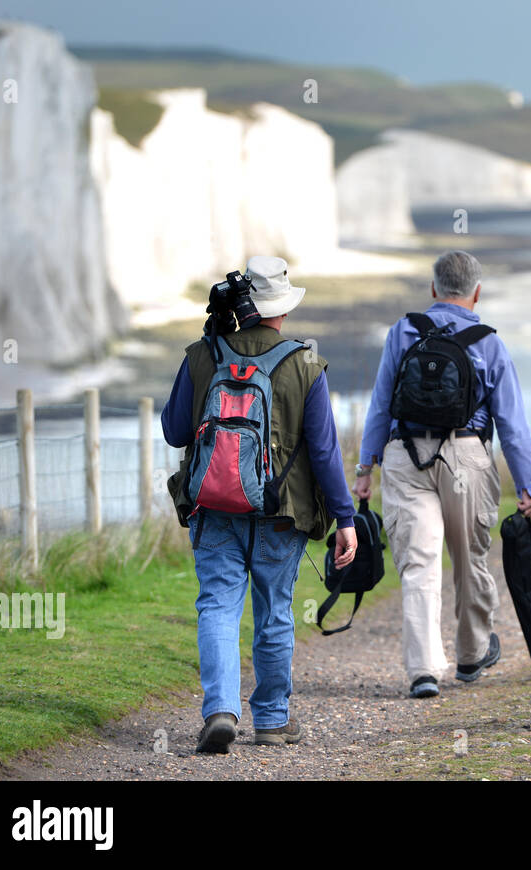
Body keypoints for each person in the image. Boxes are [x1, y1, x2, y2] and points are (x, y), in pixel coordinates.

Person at [163, 255, 357, 753]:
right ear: (282, 309)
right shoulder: (305, 363)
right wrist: (345, 519)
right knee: (274, 612)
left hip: (213, 507)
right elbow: (325, 452)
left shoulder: (203, 354)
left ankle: (221, 711)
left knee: (218, 607)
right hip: (281, 514)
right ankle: (271, 720)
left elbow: (173, 430)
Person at [353, 251, 531, 699]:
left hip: (406, 454)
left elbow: (381, 402)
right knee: (468, 557)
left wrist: (365, 467)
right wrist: (528, 484)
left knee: (419, 562)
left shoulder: (403, 330)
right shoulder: (489, 341)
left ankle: (423, 670)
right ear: (477, 292)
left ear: (434, 289)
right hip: (467, 457)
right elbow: (512, 421)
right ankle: (472, 653)